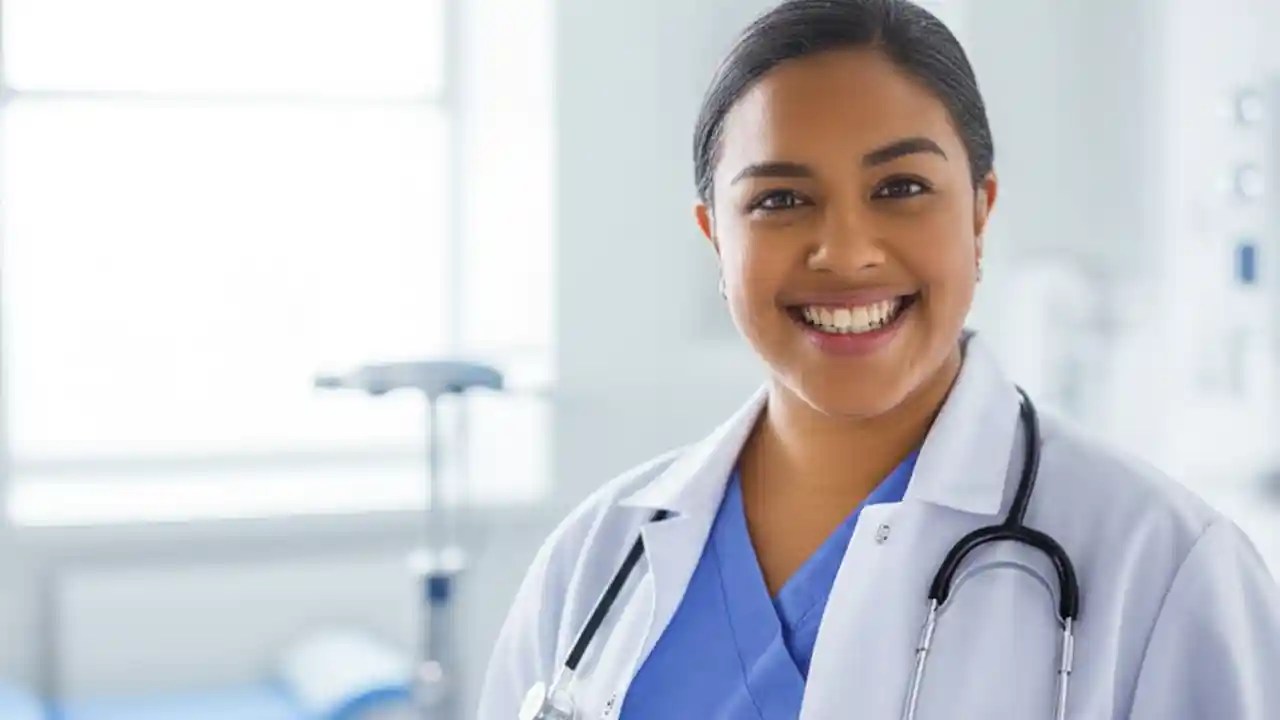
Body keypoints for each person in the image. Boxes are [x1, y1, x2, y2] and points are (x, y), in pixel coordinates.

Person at [479, 0, 1280, 717]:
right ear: (715, 239)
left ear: (979, 212)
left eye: (900, 188)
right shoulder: (592, 565)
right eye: (780, 200)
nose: (847, 252)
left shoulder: (1166, 566)